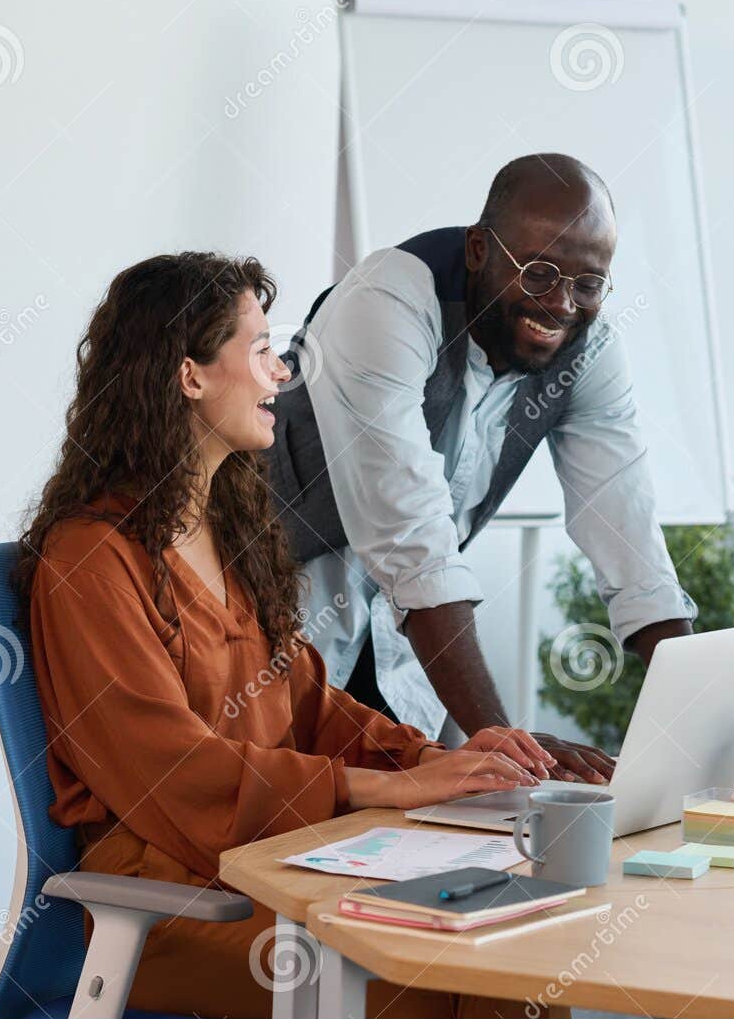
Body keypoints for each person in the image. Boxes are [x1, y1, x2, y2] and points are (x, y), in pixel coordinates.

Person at [19, 252, 556, 1018]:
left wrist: (438, 760)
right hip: (171, 897)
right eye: (262, 349)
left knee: (513, 948)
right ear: (189, 375)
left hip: (275, 857)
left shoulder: (230, 532)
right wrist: (388, 787)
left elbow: (309, 701)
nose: (283, 374)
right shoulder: (88, 560)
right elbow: (174, 771)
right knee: (433, 977)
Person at [263, 154, 696, 779]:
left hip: (405, 646)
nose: (562, 305)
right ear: (477, 249)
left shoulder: (588, 340)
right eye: (540, 272)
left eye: (588, 282)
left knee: (402, 852)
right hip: (273, 615)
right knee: (275, 833)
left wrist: (698, 717)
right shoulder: (387, 301)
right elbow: (413, 543)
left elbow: (627, 528)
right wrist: (504, 740)